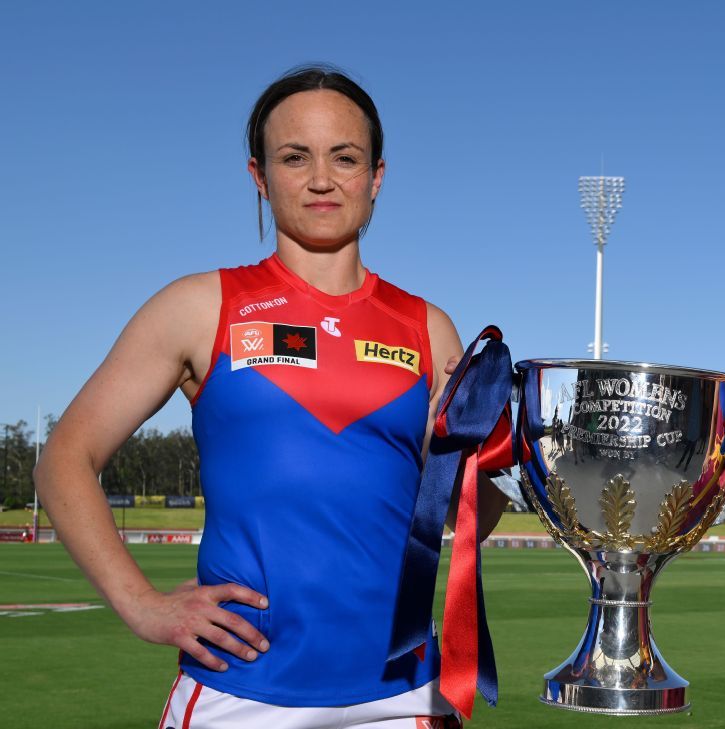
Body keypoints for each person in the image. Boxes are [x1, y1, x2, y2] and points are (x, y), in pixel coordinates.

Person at [34, 65, 506, 728]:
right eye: (294, 157)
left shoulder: (428, 326)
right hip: (241, 695)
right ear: (259, 176)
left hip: (404, 695)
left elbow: (463, 520)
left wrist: (495, 458)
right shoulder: (199, 306)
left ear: (376, 177)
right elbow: (64, 458)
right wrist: (141, 603)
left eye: (345, 157)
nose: (321, 178)